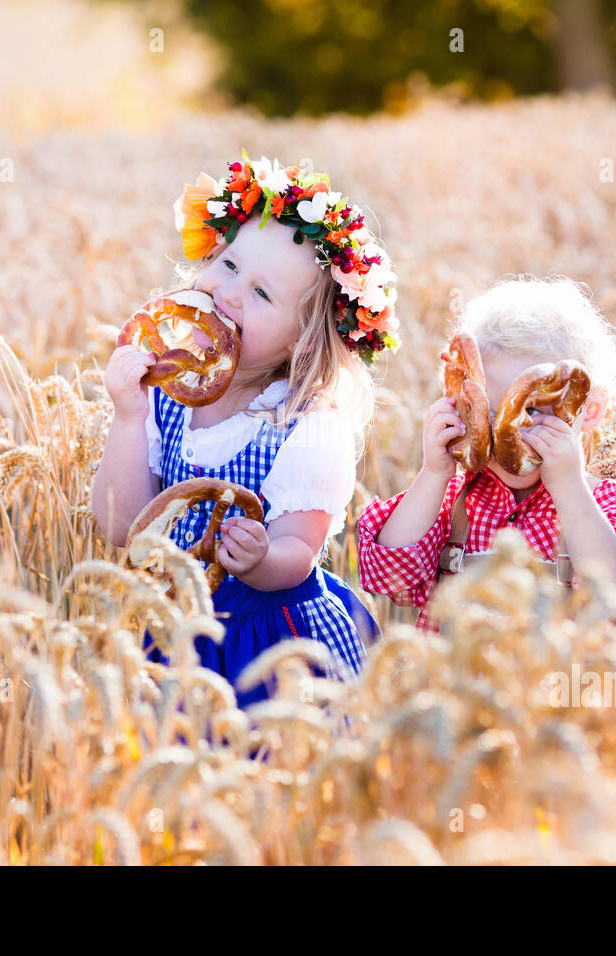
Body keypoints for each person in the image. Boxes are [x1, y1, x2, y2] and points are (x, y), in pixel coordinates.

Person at [93, 153, 398, 707]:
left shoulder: (307, 427)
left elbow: (298, 554)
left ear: (302, 339)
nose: (230, 294)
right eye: (229, 265)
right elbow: (121, 526)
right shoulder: (163, 395)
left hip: (270, 643)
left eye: (262, 294)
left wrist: (260, 560)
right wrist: (128, 417)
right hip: (172, 631)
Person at [356, 277, 616, 632]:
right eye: (491, 412)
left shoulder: (606, 504)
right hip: (453, 686)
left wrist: (569, 486)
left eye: (533, 411)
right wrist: (433, 473)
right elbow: (388, 577)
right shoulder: (450, 501)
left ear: (587, 410)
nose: (507, 432)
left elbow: (611, 593)